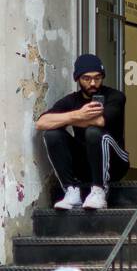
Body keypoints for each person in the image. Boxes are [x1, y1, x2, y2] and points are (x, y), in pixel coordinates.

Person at [35, 53, 129, 212]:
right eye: (87, 78)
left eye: (98, 78)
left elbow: (100, 121)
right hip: (85, 165)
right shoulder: (72, 100)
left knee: (93, 132)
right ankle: (72, 192)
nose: (93, 83)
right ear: (77, 79)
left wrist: (67, 119)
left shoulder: (115, 96)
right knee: (52, 134)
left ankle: (99, 190)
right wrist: (77, 115)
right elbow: (41, 123)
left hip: (116, 163)